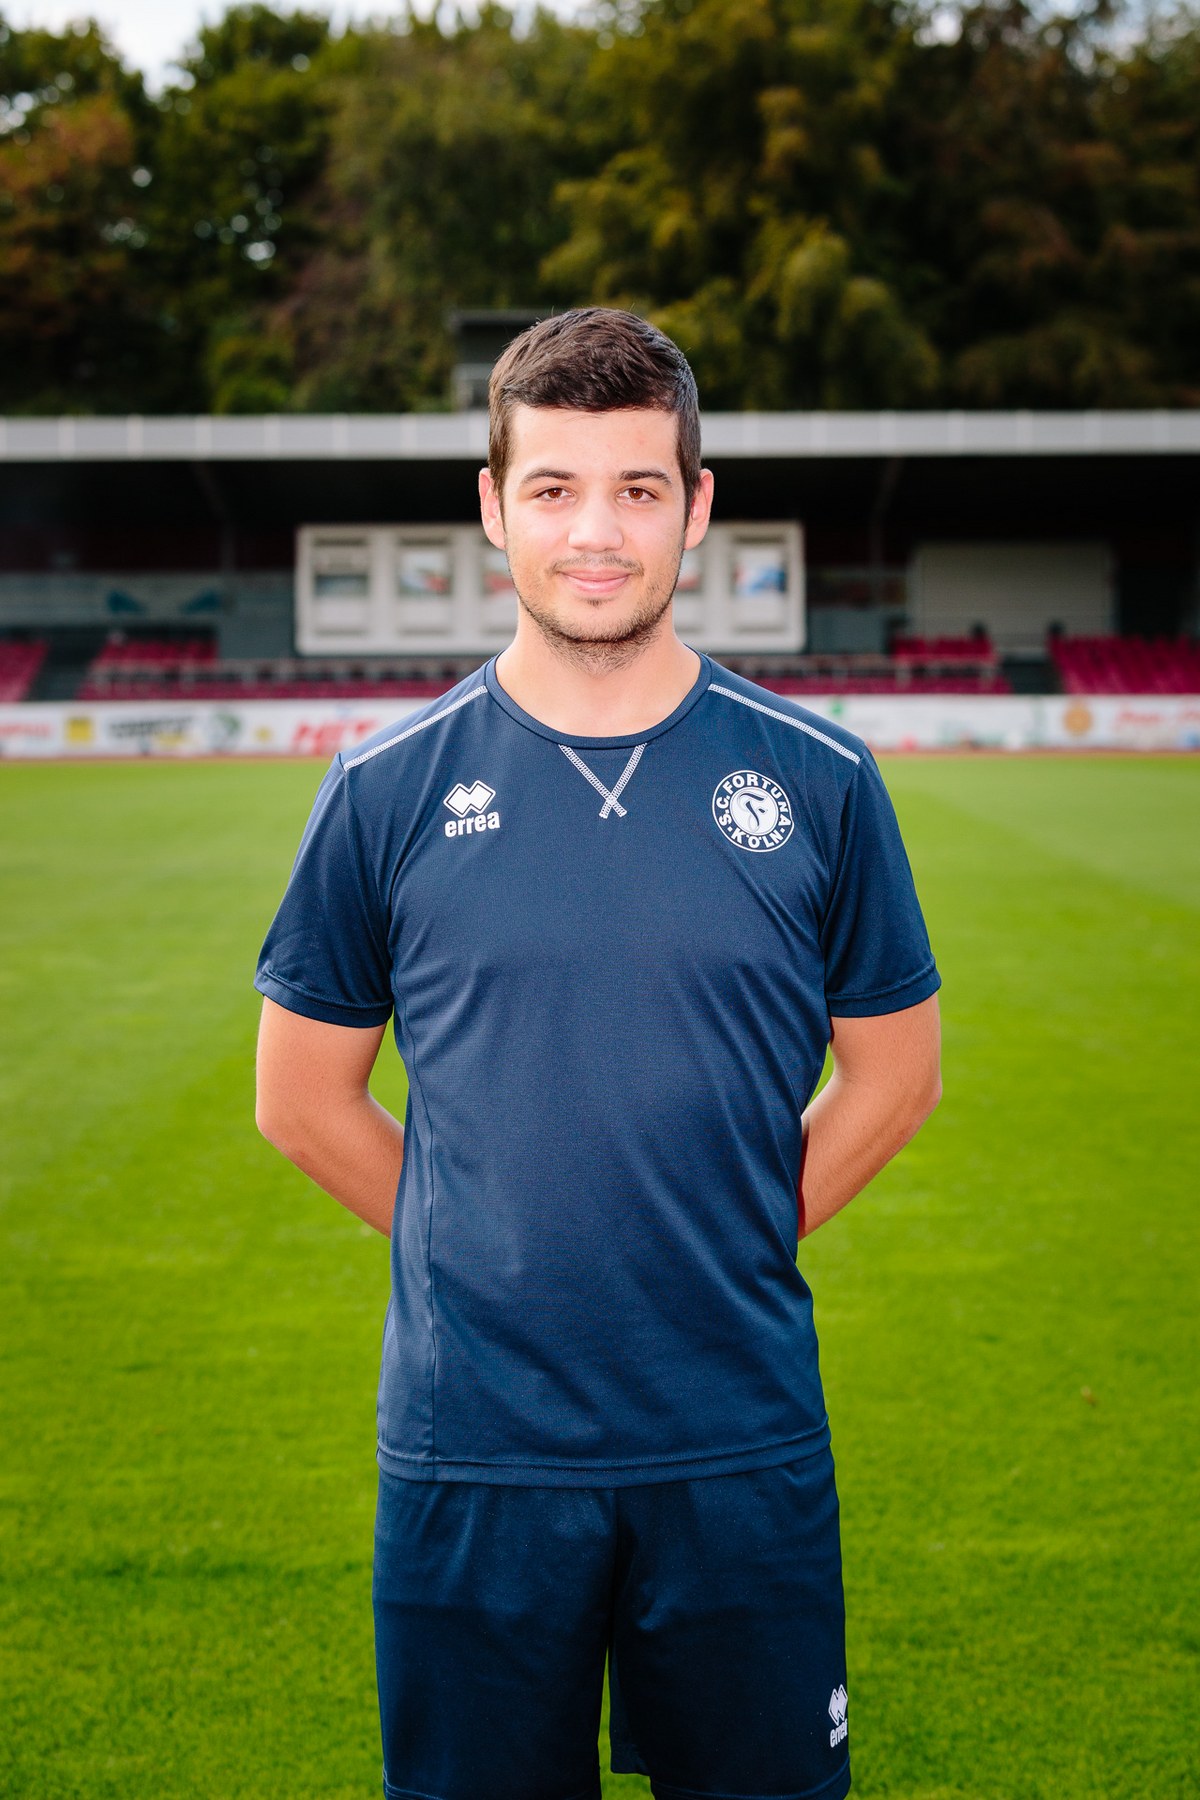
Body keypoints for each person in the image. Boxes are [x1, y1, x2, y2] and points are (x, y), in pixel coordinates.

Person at [254, 306, 941, 1800]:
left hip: (737, 1438)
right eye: (554, 489)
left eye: (638, 489)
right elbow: (300, 1099)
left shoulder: (820, 784)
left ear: (696, 509)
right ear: (494, 507)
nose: (597, 532)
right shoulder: (381, 792)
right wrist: (483, 1243)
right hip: (476, 1448)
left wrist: (730, 1233)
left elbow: (897, 1074)